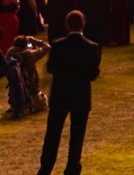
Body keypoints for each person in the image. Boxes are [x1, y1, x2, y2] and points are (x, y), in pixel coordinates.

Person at [36, 13, 99, 175]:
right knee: (77, 134)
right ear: (83, 24)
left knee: (53, 133)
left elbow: (50, 68)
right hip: (80, 95)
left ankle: (46, 167)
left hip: (60, 93)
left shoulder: (57, 45)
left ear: (67, 25)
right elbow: (93, 73)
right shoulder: (92, 47)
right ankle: (72, 167)